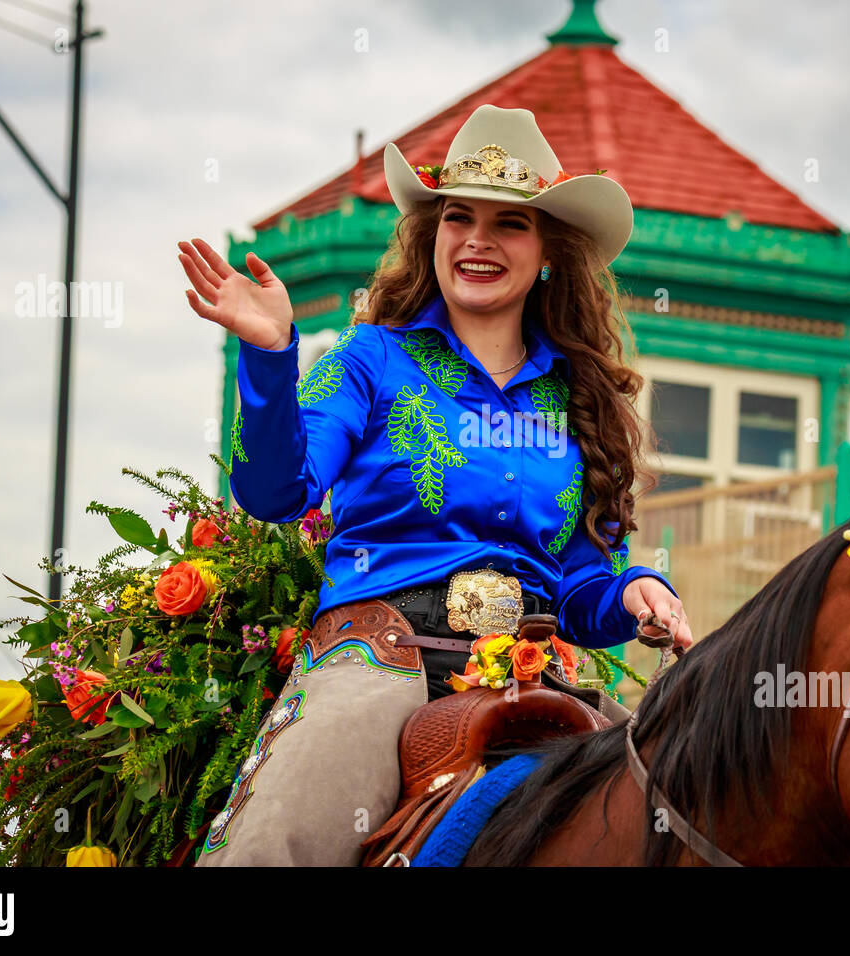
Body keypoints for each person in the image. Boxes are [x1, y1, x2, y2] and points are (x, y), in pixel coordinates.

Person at [178, 104, 693, 866]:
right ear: (435, 233)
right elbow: (276, 494)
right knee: (269, 849)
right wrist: (270, 356)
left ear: (549, 251)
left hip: (539, 670)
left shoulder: (585, 399)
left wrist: (633, 593)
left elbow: (581, 589)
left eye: (510, 224)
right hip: (380, 658)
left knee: (686, 812)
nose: (478, 240)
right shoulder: (368, 360)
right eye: (459, 217)